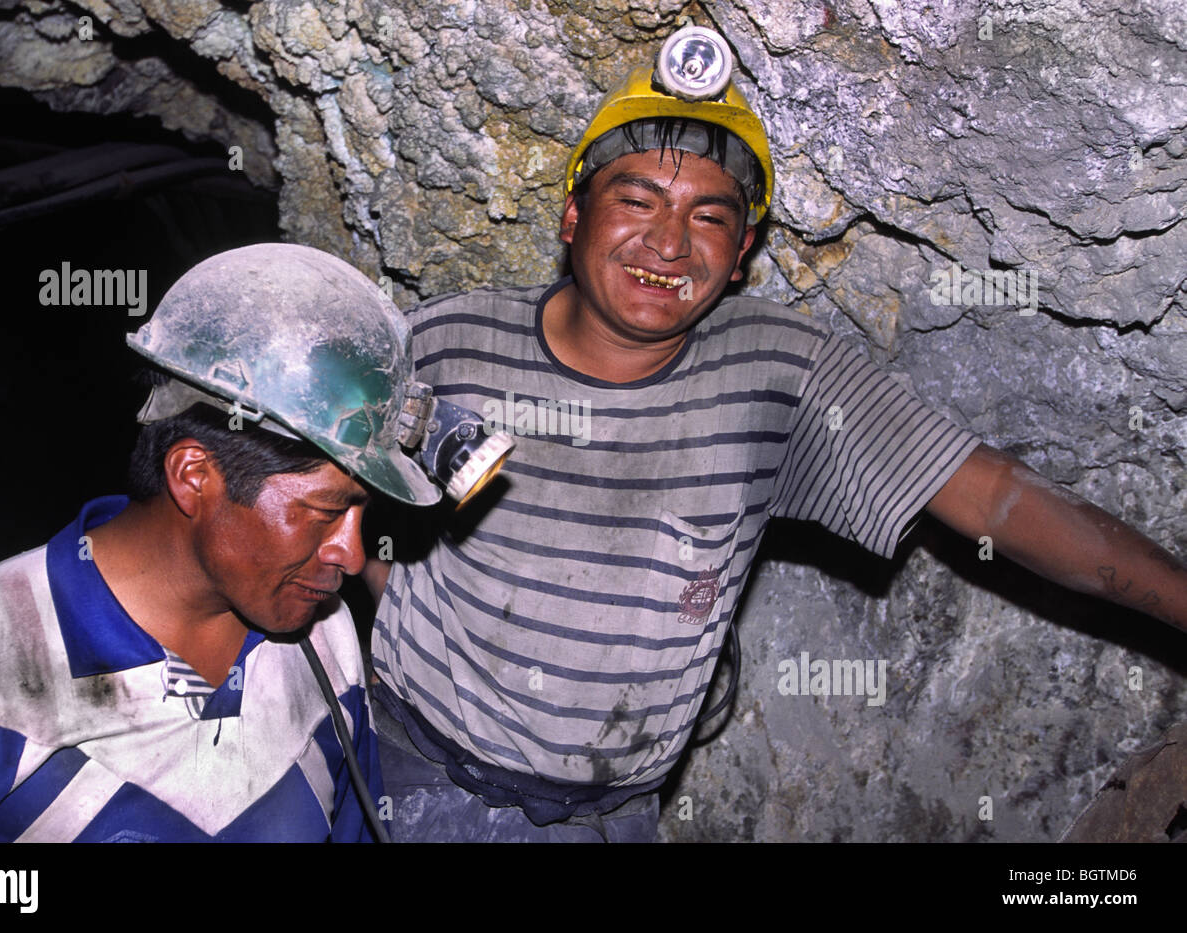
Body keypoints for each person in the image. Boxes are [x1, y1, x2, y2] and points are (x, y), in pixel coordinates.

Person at [362, 26, 1187, 842]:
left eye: (709, 217)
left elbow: (993, 496)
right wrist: (396, 607)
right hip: (426, 777)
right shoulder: (447, 340)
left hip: (617, 813)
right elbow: (322, 479)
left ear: (745, 247)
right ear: (575, 214)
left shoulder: (777, 372)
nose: (668, 242)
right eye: (637, 200)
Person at [0, 243, 451, 842]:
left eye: (364, 516)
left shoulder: (325, 635)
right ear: (194, 476)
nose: (352, 555)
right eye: (323, 512)